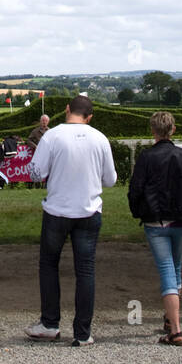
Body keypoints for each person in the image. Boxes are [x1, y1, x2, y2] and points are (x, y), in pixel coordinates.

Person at [24, 95, 116, 346]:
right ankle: (83, 332)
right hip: (89, 211)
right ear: (90, 117)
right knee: (85, 271)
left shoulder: (52, 136)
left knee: (49, 266)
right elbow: (110, 180)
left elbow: (36, 172)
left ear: (67, 110)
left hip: (57, 211)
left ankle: (50, 323)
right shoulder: (100, 138)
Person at [127, 111, 182, 346]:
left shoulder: (146, 157)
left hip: (156, 221)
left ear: (152, 131)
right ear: (173, 130)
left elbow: (136, 190)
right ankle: (169, 319)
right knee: (176, 268)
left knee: (167, 272)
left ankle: (175, 329)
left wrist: (138, 211)